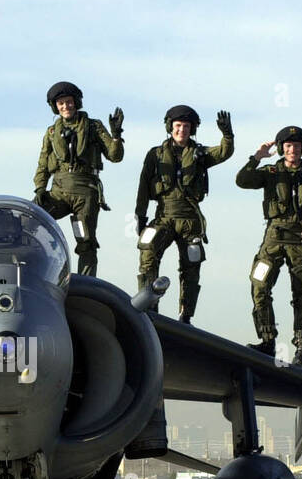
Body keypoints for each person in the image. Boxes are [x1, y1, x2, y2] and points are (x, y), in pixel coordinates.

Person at [235, 125, 302, 367]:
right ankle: (267, 340)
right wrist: (257, 157)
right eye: (288, 145)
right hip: (273, 237)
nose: (292, 149)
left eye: (296, 145)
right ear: (282, 149)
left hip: (300, 239)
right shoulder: (271, 172)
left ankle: (300, 350)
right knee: (259, 286)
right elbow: (242, 180)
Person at [134, 105, 234, 323]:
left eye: (186, 126)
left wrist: (227, 135)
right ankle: (150, 307)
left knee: (191, 263)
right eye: (178, 126)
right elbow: (143, 186)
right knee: (147, 250)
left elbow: (224, 152)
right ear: (170, 127)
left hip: (190, 218)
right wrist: (140, 216)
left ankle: (185, 315)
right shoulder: (155, 155)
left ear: (192, 129)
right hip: (164, 215)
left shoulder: (200, 154)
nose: (182, 130)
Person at [32, 81, 124, 276]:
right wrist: (40, 188)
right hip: (59, 192)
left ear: (76, 102)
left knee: (86, 241)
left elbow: (115, 156)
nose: (66, 107)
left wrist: (116, 135)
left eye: (69, 102)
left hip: (86, 192)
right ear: (55, 107)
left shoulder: (93, 126)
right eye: (61, 103)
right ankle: (37, 271)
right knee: (29, 219)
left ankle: (87, 285)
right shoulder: (51, 133)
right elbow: (42, 164)